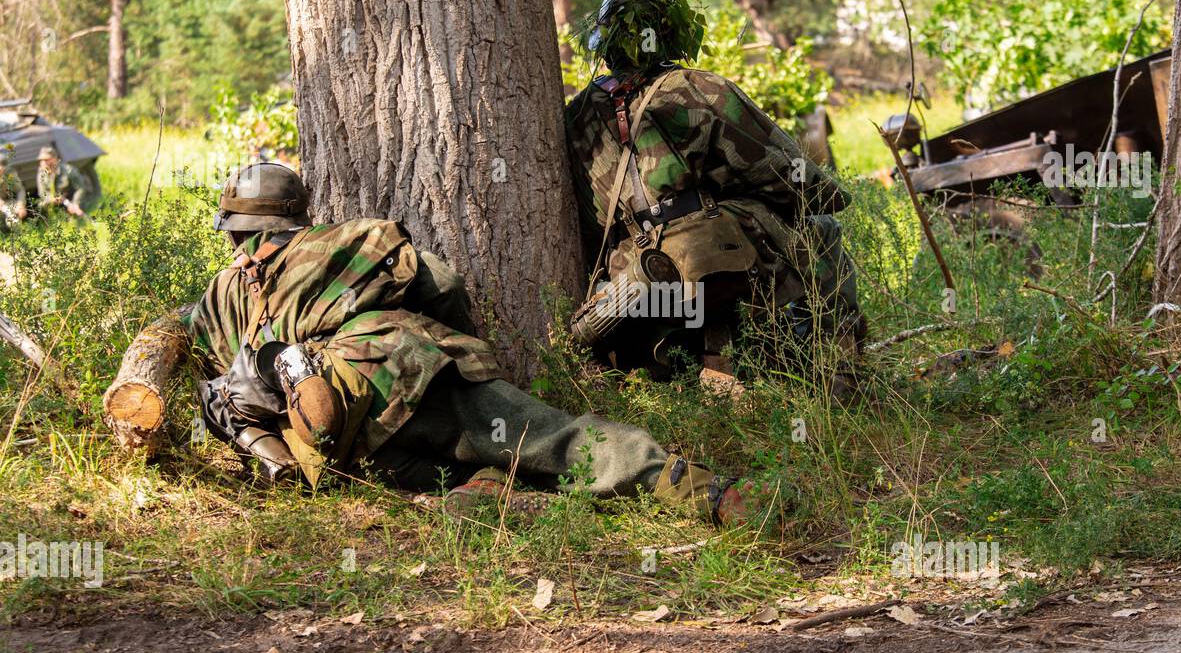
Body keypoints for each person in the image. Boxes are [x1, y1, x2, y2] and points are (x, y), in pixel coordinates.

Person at [181, 163, 754, 524]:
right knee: (555, 438)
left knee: (442, 470)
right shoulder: (349, 241)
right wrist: (453, 348)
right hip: (403, 372)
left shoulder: (221, 294)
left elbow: (219, 371)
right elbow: (445, 283)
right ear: (295, 215)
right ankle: (702, 492)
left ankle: (481, 489)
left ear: (237, 230)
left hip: (344, 446)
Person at [564, 0, 865, 378]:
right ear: (672, 36)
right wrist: (824, 197)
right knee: (823, 230)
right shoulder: (697, 88)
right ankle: (841, 375)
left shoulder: (576, 112)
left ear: (603, 41)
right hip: (706, 264)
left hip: (629, 274)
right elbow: (783, 172)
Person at [37, 144, 100, 219]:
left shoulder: (69, 171)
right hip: (55, 201)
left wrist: (76, 203)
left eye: (46, 160)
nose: (43, 163)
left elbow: (80, 188)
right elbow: (42, 193)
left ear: (55, 159)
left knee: (80, 212)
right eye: (41, 160)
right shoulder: (41, 174)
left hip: (71, 199)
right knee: (41, 205)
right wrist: (53, 199)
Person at [0, 149, 27, 230]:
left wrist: (20, 205)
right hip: (2, 204)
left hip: (9, 202)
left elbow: (20, 190)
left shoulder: (9, 173)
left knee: (12, 220)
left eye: (1, 165)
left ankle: (19, 233)